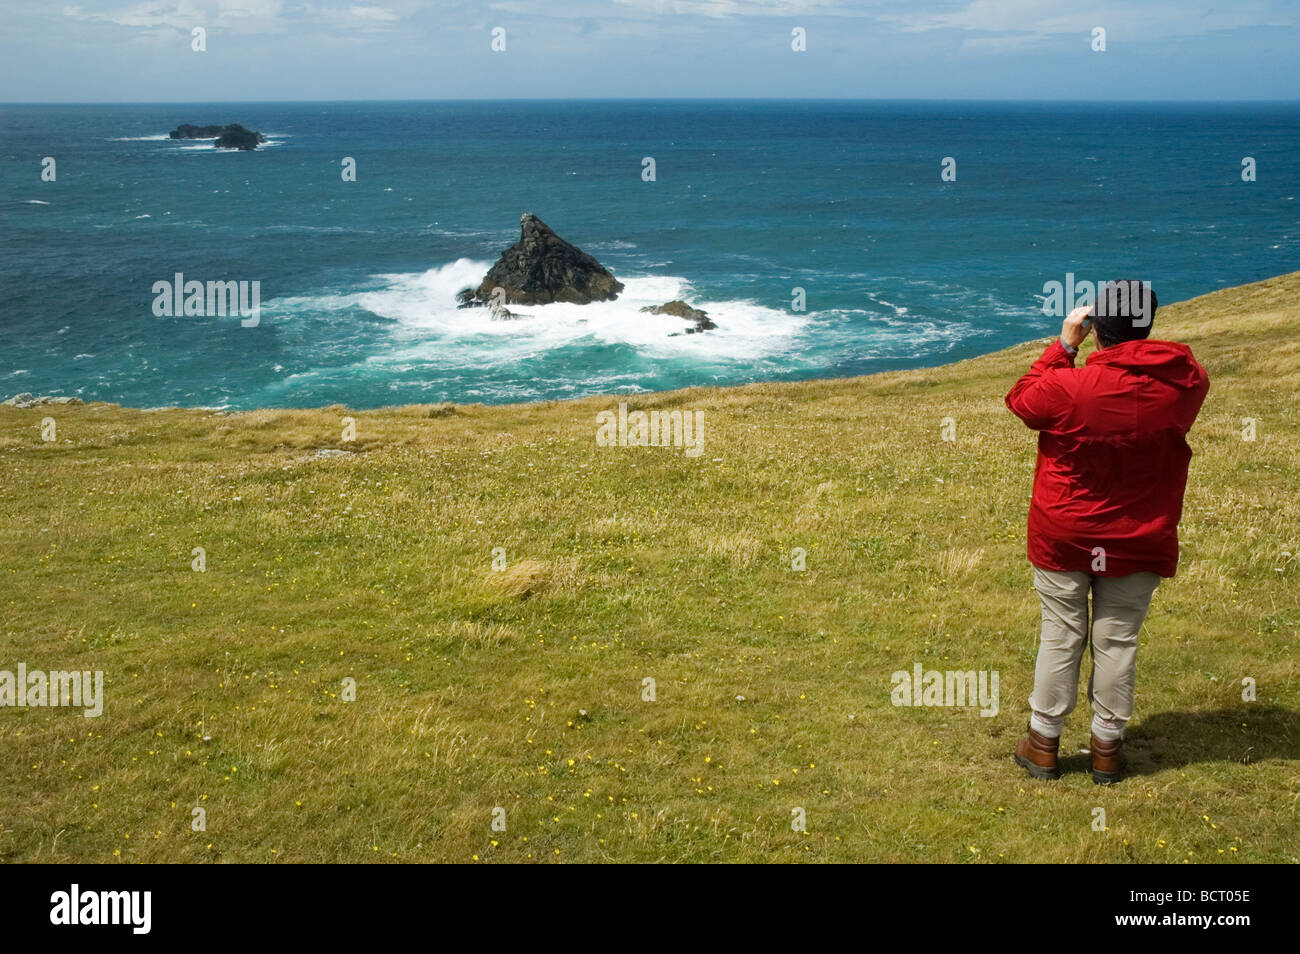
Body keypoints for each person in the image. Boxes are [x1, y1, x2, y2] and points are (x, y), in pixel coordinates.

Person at [1005, 280, 1209, 783]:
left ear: (1096, 326)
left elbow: (1023, 401)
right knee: (1118, 640)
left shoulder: (1069, 387)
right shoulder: (1184, 383)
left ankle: (1044, 743)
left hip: (1066, 530)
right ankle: (1106, 749)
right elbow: (1184, 375)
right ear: (1147, 322)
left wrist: (1065, 346)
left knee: (1061, 633)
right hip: (1140, 532)